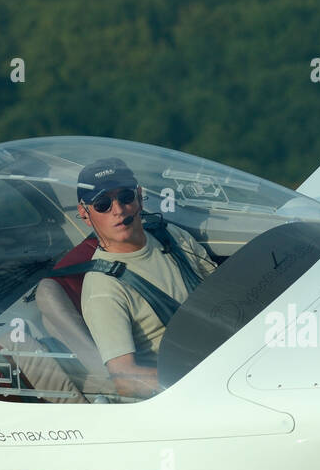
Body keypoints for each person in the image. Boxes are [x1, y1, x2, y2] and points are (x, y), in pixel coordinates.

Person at [65, 158, 217, 399]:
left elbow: (222, 289)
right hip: (197, 382)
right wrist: (206, 382)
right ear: (85, 213)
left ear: (138, 195)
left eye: (125, 197)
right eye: (103, 204)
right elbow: (125, 379)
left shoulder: (169, 234)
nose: (119, 209)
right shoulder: (104, 289)